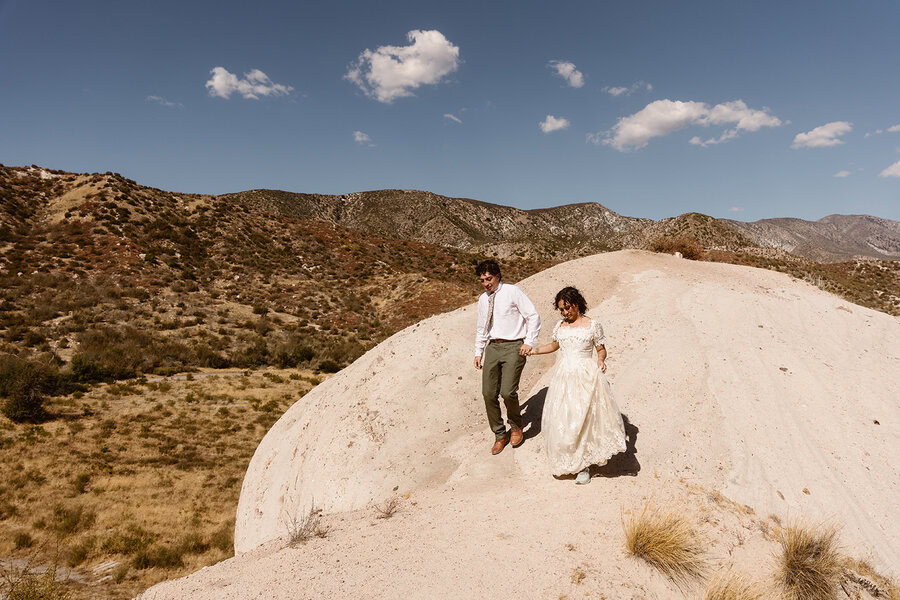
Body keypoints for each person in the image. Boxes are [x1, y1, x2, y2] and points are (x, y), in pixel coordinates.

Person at [527, 287, 627, 484]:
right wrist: (534, 351)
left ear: (577, 304)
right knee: (565, 417)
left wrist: (600, 360)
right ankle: (569, 457)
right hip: (563, 377)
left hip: (585, 376)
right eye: (561, 310)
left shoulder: (593, 326)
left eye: (567, 308)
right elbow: (554, 346)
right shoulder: (560, 326)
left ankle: (584, 465)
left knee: (584, 418)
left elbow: (601, 349)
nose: (564, 313)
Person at [474, 259, 541, 455]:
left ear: (497, 276)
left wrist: (529, 341)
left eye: (489, 278)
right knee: (488, 393)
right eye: (482, 280)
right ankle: (499, 434)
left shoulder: (513, 291)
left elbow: (532, 315)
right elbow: (481, 327)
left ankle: (516, 426)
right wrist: (479, 352)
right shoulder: (483, 299)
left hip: (514, 346)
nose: (486, 283)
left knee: (507, 392)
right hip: (493, 347)